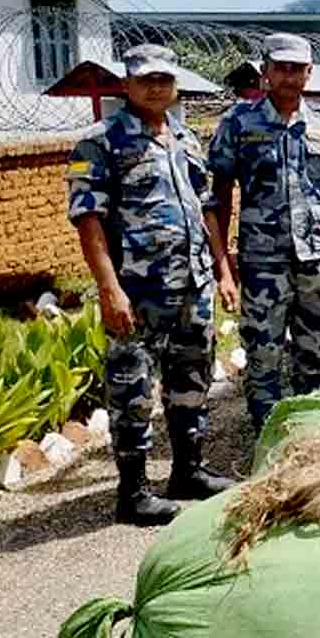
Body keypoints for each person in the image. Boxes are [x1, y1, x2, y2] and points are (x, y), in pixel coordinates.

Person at [66, 43, 236, 525]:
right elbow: (88, 219)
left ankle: (188, 470)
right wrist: (108, 288)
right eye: (146, 79)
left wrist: (222, 269)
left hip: (193, 285)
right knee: (132, 389)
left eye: (164, 78)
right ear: (128, 83)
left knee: (192, 380)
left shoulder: (185, 137)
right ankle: (134, 491)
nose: (156, 86)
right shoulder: (100, 141)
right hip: (138, 292)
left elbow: (207, 209)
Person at [206, 33, 320, 435]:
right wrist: (223, 266)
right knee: (263, 359)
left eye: (297, 69)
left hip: (317, 260)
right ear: (266, 72)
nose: (289, 77)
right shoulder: (238, 124)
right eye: (281, 68)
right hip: (263, 263)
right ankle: (269, 445)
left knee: (318, 355)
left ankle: (311, 441)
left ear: (309, 73)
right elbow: (218, 196)